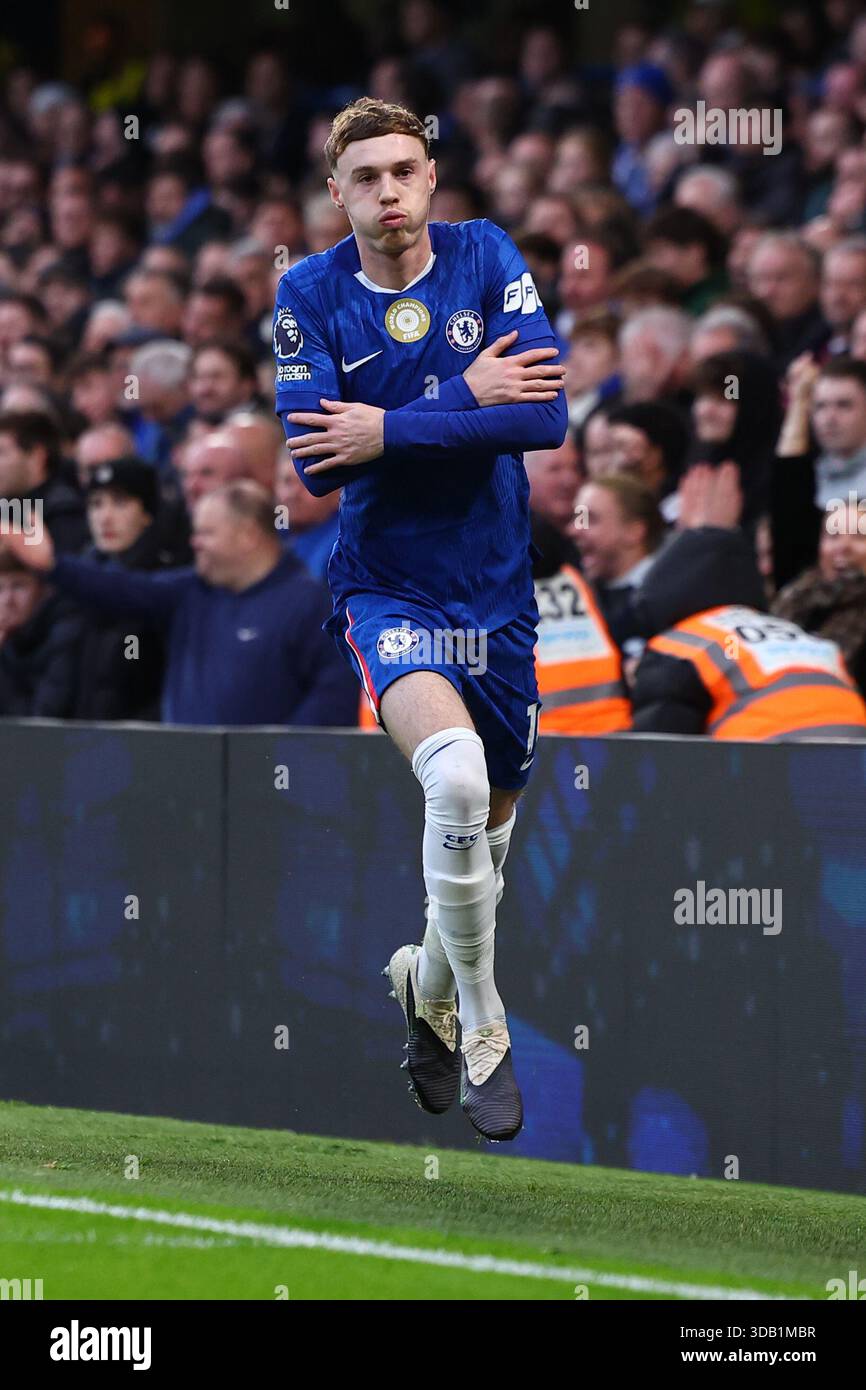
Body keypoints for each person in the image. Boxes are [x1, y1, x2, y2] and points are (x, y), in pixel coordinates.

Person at [276, 97, 568, 1141]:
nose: (388, 193)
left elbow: (540, 414)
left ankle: (426, 985)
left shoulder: (487, 256)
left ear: (432, 178)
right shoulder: (305, 295)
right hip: (387, 585)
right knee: (449, 775)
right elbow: (316, 461)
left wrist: (391, 424)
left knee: (482, 843)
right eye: (365, 177)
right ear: (337, 191)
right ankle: (484, 1022)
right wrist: (461, 393)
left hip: (496, 589)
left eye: (404, 170)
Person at [1, 480, 359, 729]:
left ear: (248, 535)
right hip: (189, 781)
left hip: (275, 792)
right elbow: (120, 589)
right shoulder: (190, 591)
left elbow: (333, 698)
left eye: (205, 533)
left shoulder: (308, 603)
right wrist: (54, 565)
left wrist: (273, 757)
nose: (195, 543)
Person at [631, 605, 866, 740]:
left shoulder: (679, 643)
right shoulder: (800, 634)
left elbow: (658, 760)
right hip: (854, 763)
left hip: (768, 769)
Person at [0, 548, 83, 716]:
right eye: (0, 588)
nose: (7, 600)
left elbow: (39, 722)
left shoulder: (67, 633)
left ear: (44, 591)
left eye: (18, 586)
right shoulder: (10, 636)